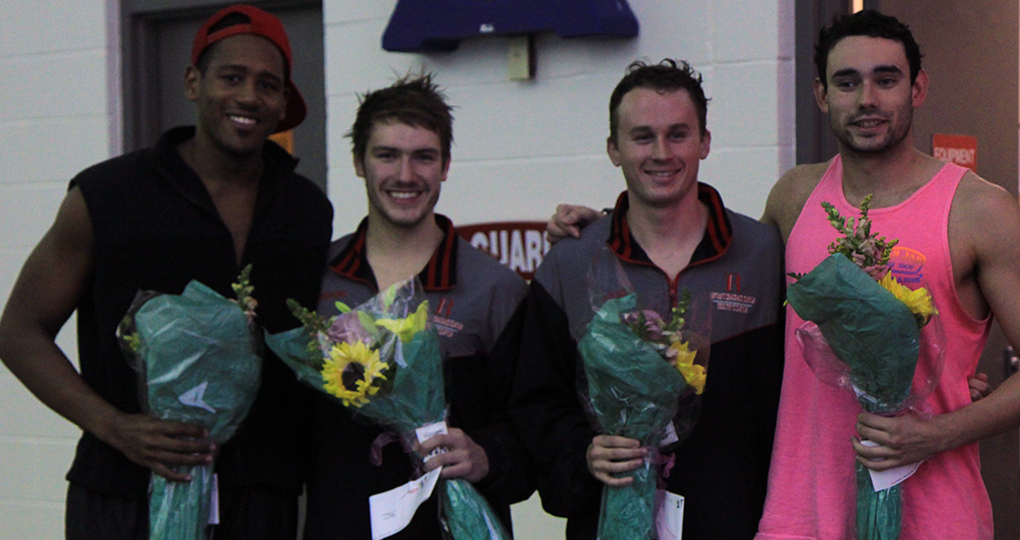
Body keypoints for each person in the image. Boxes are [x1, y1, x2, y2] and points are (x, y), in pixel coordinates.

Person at [0, 5, 332, 539]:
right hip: (124, 492)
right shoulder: (107, 196)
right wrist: (115, 426)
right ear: (192, 83)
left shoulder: (307, 210)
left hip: (259, 501)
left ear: (283, 103)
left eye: (268, 84)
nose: (249, 96)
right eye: (231, 77)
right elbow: (18, 330)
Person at [753, 9, 1020, 539]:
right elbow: (719, 277)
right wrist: (599, 228)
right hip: (799, 519)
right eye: (847, 82)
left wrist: (937, 430)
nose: (867, 99)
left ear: (917, 88)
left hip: (938, 521)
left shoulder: (979, 210)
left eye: (886, 79)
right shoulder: (794, 196)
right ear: (822, 95)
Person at [511, 59, 785, 540]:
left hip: (737, 523)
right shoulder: (570, 265)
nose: (662, 152)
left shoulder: (762, 255)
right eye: (642, 137)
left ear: (704, 142)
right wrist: (584, 451)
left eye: (678, 134)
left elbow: (789, 408)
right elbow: (536, 403)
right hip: (608, 520)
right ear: (614, 150)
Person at [302, 73, 534, 540]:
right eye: (387, 155)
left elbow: (536, 434)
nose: (405, 176)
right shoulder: (314, 279)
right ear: (358, 163)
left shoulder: (495, 289)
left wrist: (487, 457)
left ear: (445, 165)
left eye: (423, 156)